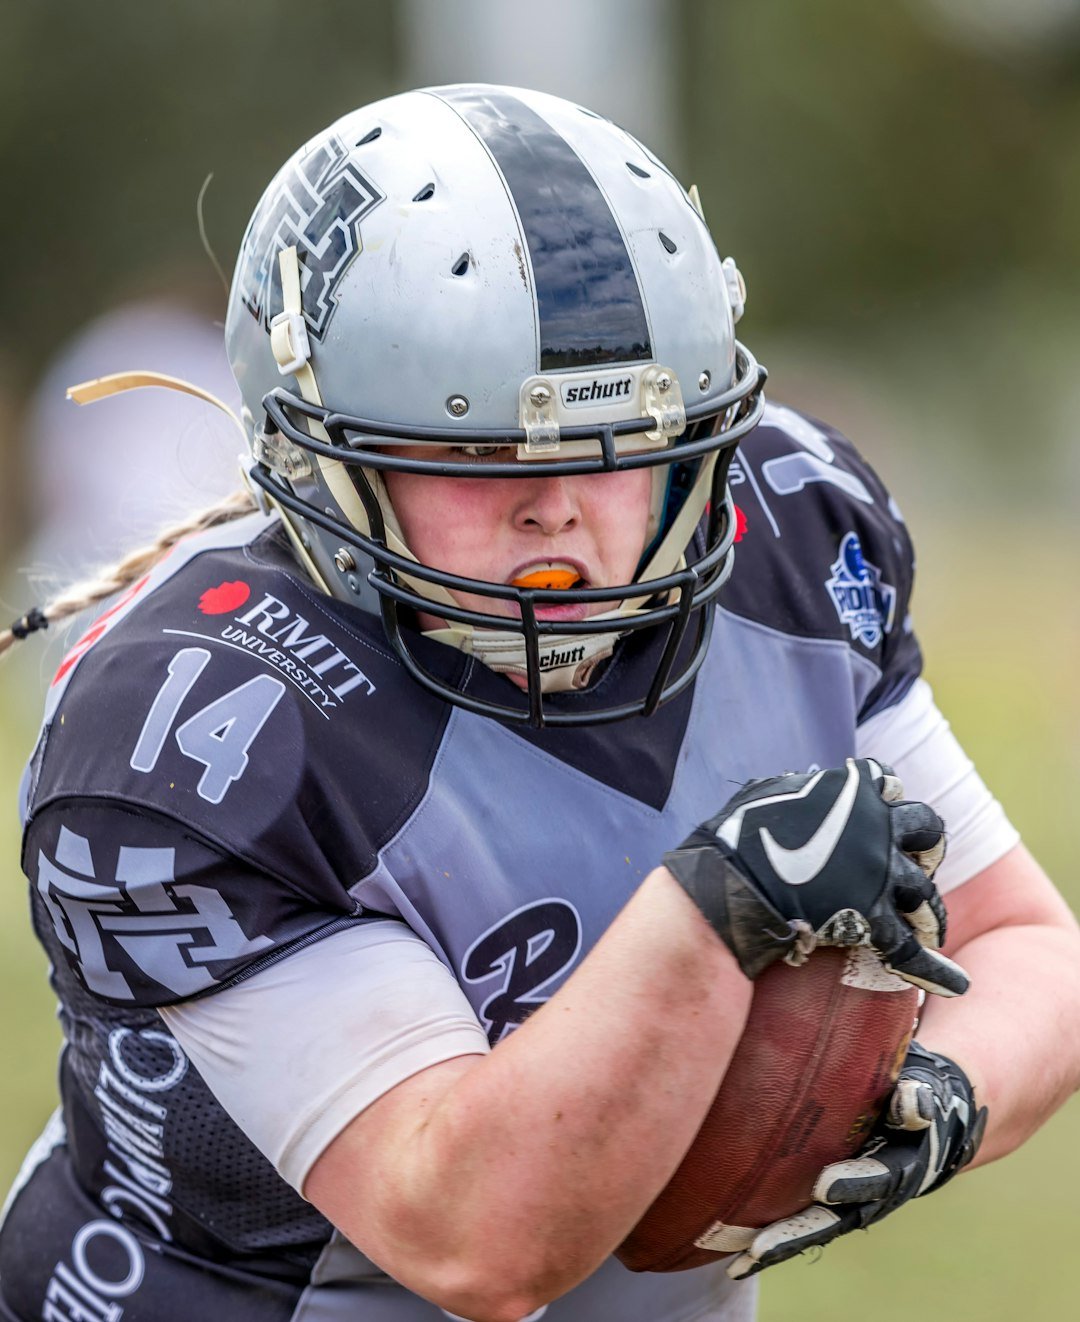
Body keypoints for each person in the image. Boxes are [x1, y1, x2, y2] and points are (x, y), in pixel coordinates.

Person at [1, 85, 1077, 1322]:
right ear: (317, 455)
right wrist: (720, 904)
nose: (557, 510)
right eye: (472, 454)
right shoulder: (210, 717)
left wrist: (938, 1086)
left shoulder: (787, 526)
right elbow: (473, 1241)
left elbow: (1028, 948)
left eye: (616, 448)